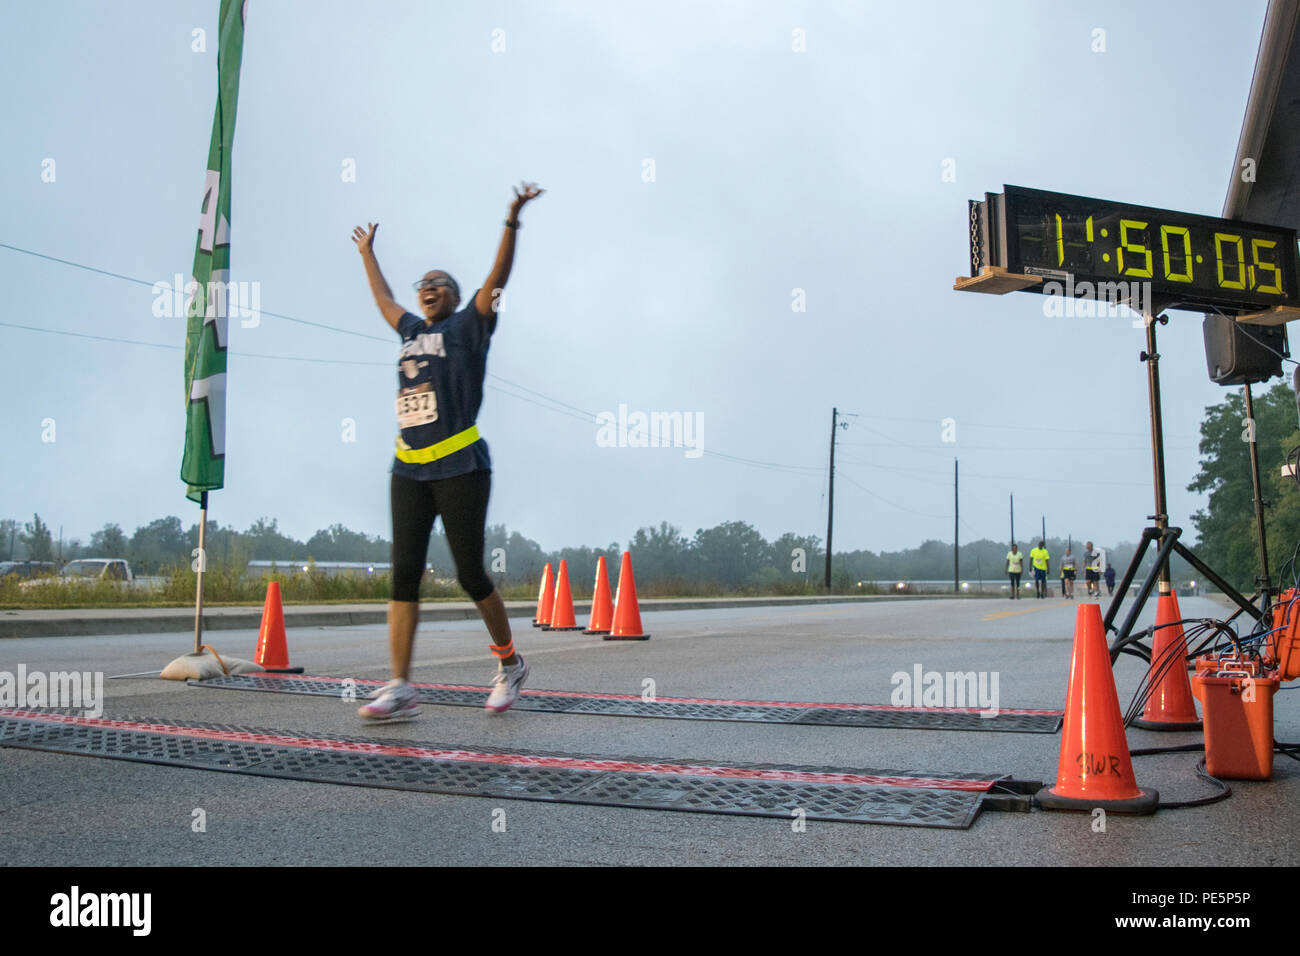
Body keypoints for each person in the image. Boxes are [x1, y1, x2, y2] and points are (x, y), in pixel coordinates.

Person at [351, 181, 545, 721]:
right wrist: (369, 254)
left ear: (458, 297)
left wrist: (512, 220)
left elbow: (496, 279)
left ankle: (510, 664)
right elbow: (383, 300)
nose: (428, 289)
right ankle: (400, 687)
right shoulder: (410, 328)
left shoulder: (471, 325)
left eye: (439, 283)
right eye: (424, 284)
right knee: (403, 573)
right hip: (408, 468)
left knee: (469, 574)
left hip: (462, 465)